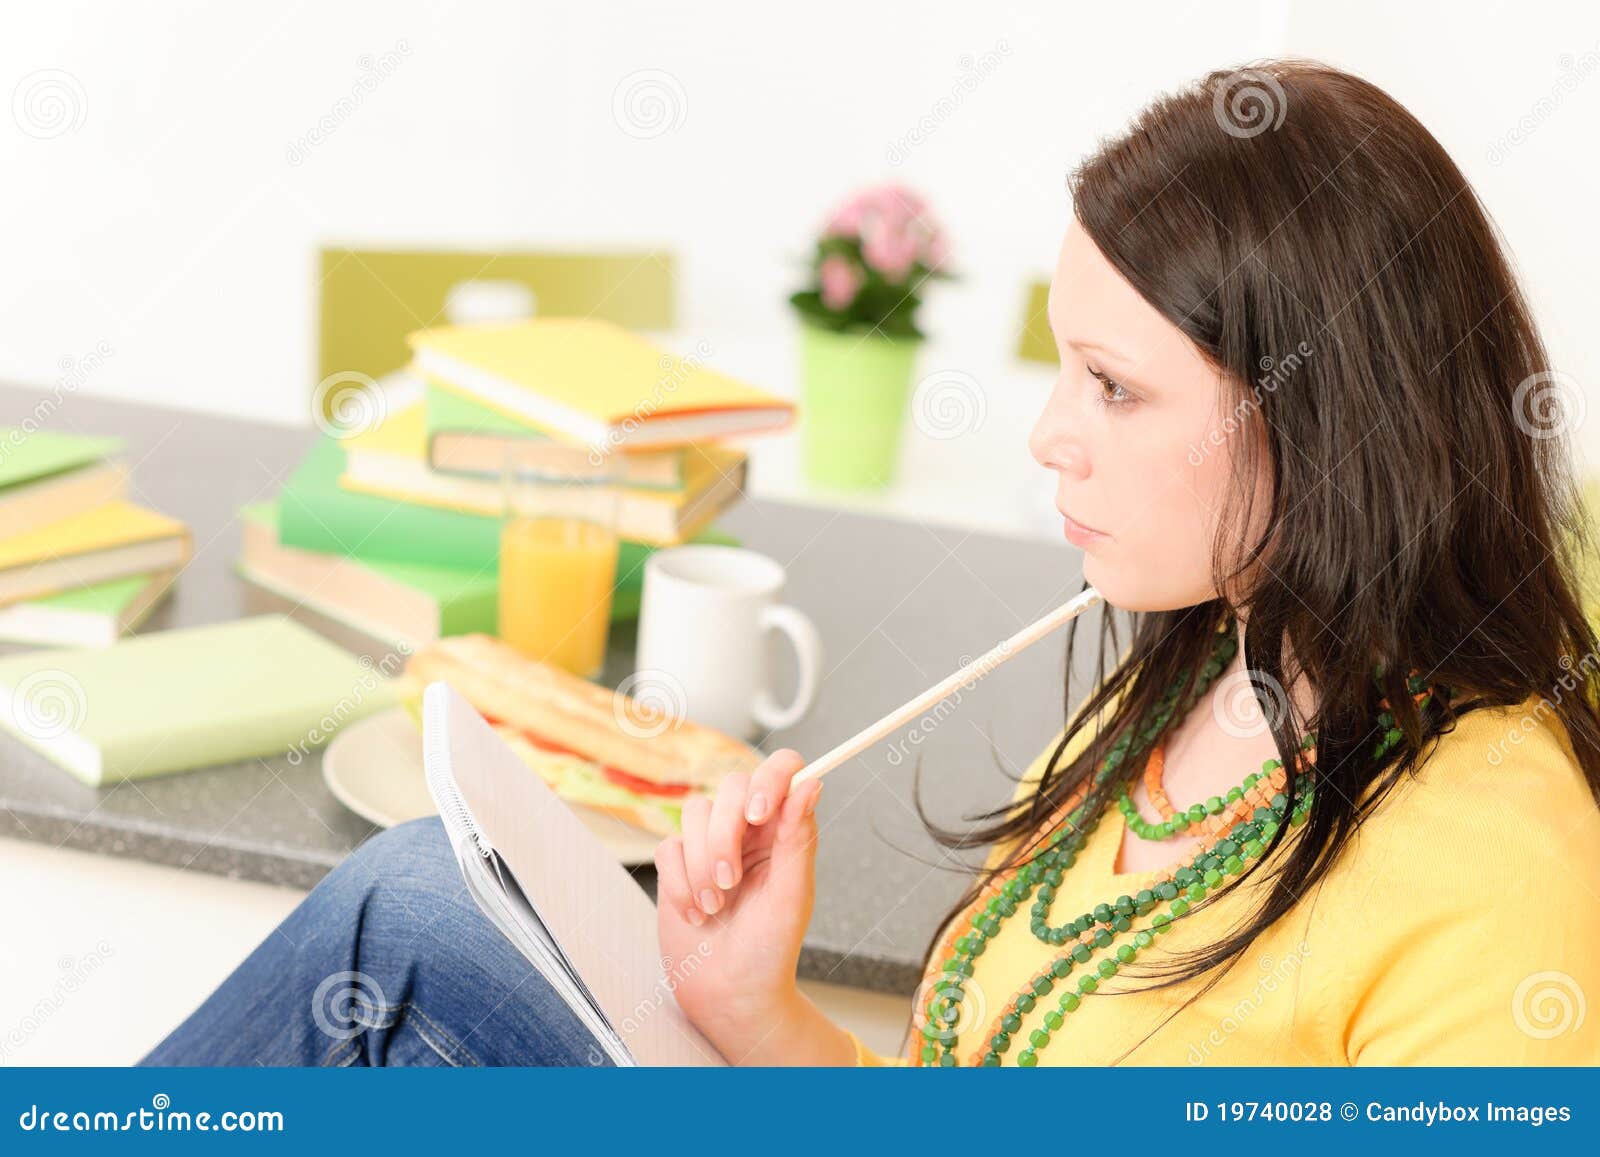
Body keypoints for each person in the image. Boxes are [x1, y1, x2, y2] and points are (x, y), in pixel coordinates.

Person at [144, 59, 1600, 1067]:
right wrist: (752, 1004)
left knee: (400, 940)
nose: (1047, 434)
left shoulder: (1499, 858)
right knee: (420, 898)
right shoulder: (1193, 691)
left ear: (1323, 418)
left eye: (1113, 385)